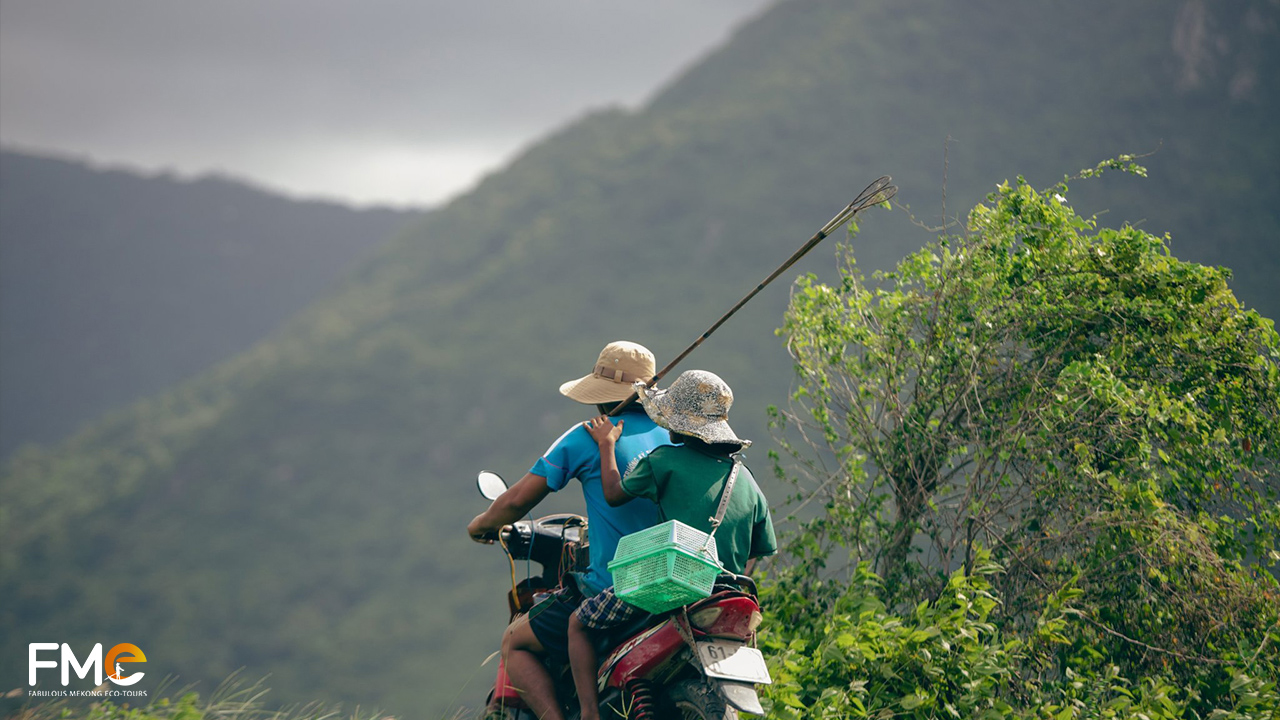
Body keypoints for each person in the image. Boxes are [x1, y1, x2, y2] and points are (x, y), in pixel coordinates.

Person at [466, 341, 670, 720]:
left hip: (612, 585)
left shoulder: (586, 437)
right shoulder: (678, 435)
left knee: (514, 643)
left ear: (600, 396)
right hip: (672, 577)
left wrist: (481, 525)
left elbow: (514, 503)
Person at [569, 369, 778, 720]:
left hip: (671, 584)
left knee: (578, 622)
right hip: (727, 593)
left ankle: (589, 713)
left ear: (678, 425)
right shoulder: (748, 481)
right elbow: (760, 551)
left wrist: (607, 444)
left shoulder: (664, 461)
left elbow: (613, 494)